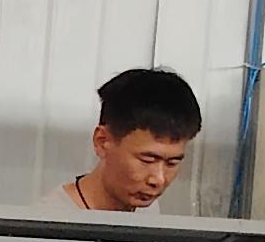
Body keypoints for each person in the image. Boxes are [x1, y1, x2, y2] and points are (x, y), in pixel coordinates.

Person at [44, 66, 201, 213]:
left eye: (172, 163)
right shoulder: (51, 220)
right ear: (102, 141)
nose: (158, 179)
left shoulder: (146, 207)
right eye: (147, 160)